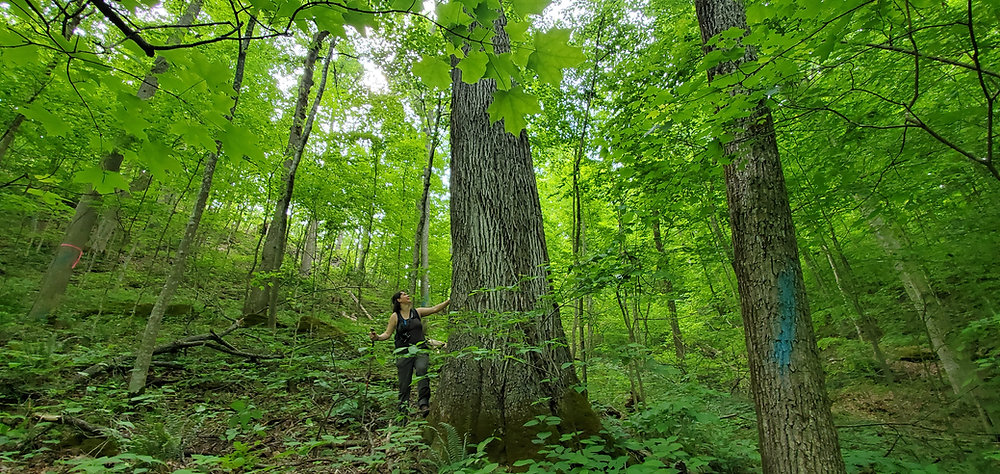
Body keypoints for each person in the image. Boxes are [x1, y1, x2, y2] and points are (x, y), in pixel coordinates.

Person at [370, 291, 450, 417]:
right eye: (404, 294)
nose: (407, 295)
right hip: (403, 353)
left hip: (420, 350)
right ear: (398, 300)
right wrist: (377, 337)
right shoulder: (395, 316)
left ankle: (423, 403)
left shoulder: (417, 312)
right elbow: (387, 334)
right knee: (404, 382)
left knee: (422, 370)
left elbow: (435, 309)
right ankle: (402, 413)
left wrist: (449, 300)